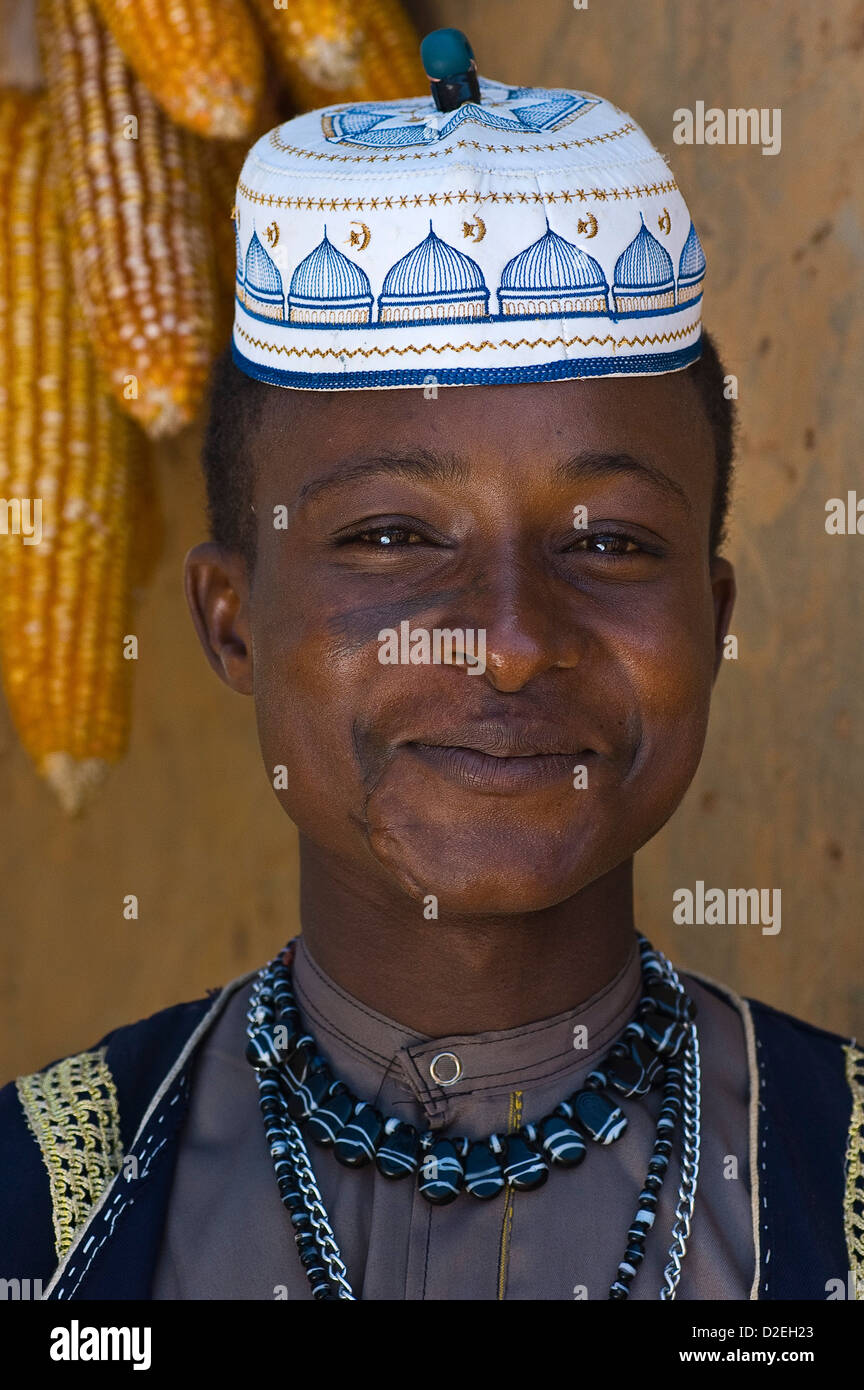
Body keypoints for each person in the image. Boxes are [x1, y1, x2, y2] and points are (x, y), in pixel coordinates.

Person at [2, 29, 861, 1303]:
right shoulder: (38, 1208)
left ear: (711, 617)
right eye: (393, 537)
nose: (510, 641)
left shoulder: (828, 1175)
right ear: (232, 621)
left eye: (610, 542)